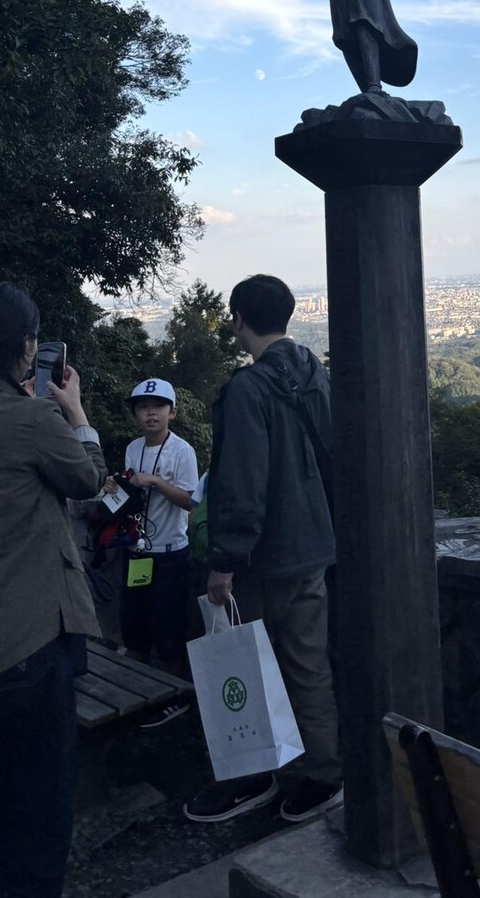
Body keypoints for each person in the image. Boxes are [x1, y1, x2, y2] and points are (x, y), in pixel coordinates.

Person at [184, 274, 341, 825]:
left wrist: (223, 561)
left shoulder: (249, 390)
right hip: (313, 547)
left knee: (249, 667)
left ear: (238, 319)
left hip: (262, 557)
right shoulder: (315, 374)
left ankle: (256, 774)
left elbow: (241, 482)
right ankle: (323, 774)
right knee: (307, 665)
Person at [0, 283, 107, 898]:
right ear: (25, 350)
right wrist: (76, 412)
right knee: (33, 807)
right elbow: (88, 478)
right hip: (25, 643)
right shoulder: (32, 419)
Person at [112, 378, 198, 726]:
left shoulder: (182, 451)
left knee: (169, 629)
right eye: (143, 407)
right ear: (135, 415)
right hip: (137, 551)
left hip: (170, 553)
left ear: (172, 413)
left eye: (159, 406)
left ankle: (178, 698)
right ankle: (137, 695)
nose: (151, 413)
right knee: (134, 626)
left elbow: (190, 501)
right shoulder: (134, 448)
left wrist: (156, 482)